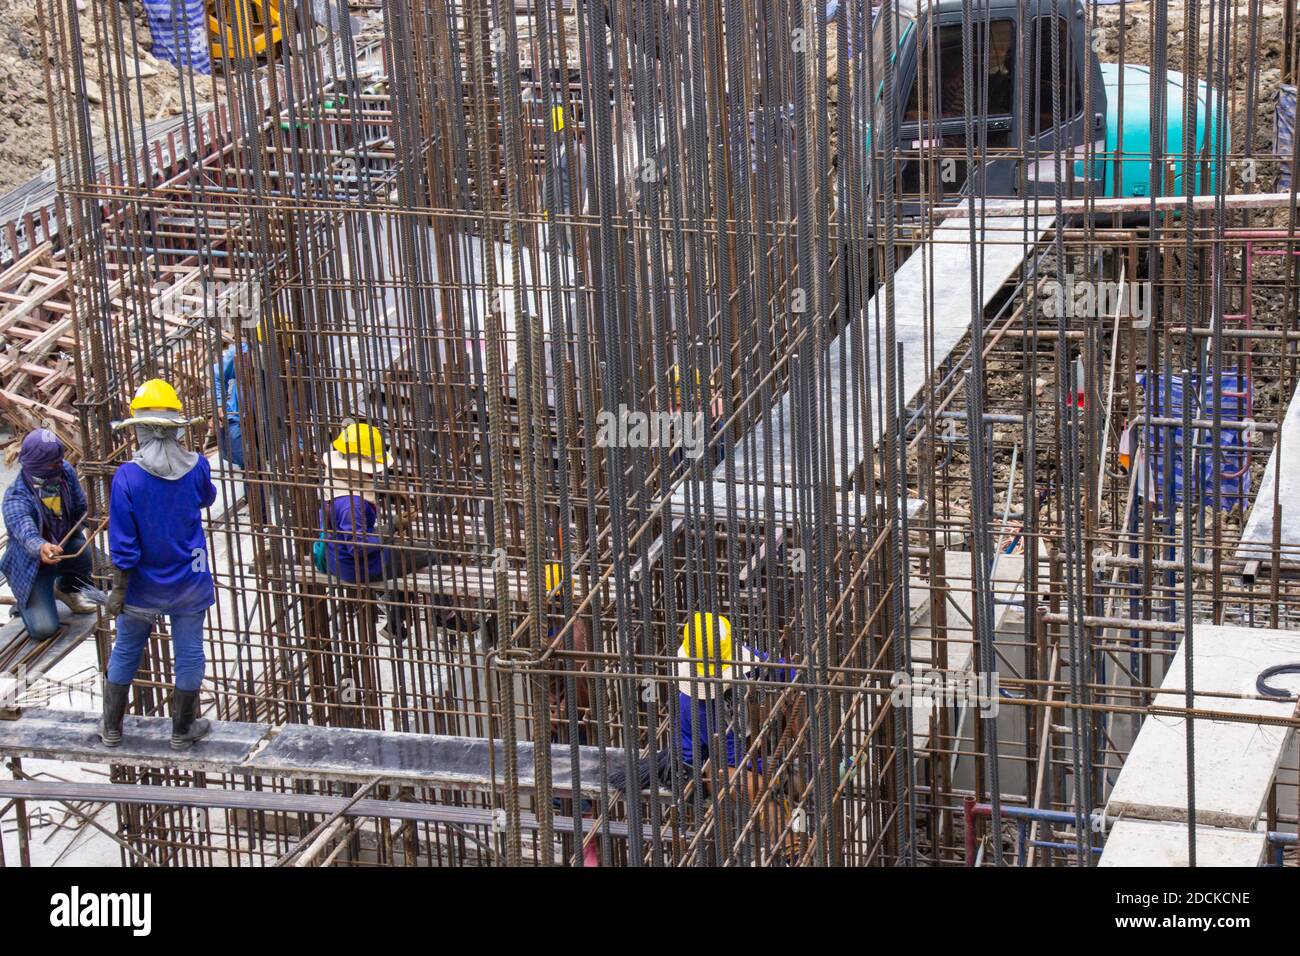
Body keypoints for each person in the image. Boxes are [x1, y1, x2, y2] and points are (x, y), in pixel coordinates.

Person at [99, 379, 218, 751]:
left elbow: (123, 543)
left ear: (141, 429)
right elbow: (206, 498)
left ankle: (112, 729)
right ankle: (182, 731)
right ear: (176, 427)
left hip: (143, 583)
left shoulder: (127, 477)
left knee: (127, 649)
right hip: (189, 577)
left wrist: (119, 587)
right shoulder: (197, 466)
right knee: (190, 653)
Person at [317, 422, 449, 641]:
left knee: (401, 557)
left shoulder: (335, 480)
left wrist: (388, 490)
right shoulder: (353, 504)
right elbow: (357, 547)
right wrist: (393, 526)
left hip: (335, 557)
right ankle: (445, 615)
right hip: (357, 566)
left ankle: (395, 624)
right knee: (429, 551)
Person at [1, 429, 97, 641]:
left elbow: (81, 509)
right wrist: (41, 547)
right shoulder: (15, 497)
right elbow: (26, 531)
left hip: (66, 546)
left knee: (101, 566)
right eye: (53, 464)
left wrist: (99, 520)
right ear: (35, 465)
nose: (59, 466)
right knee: (44, 630)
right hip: (33, 563)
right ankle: (26, 601)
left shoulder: (65, 471)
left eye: (59, 461)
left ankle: (66, 587)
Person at [213, 341, 247, 469]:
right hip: (239, 418)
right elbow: (218, 376)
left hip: (273, 423)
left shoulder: (292, 361)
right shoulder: (241, 352)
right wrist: (219, 404)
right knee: (247, 458)